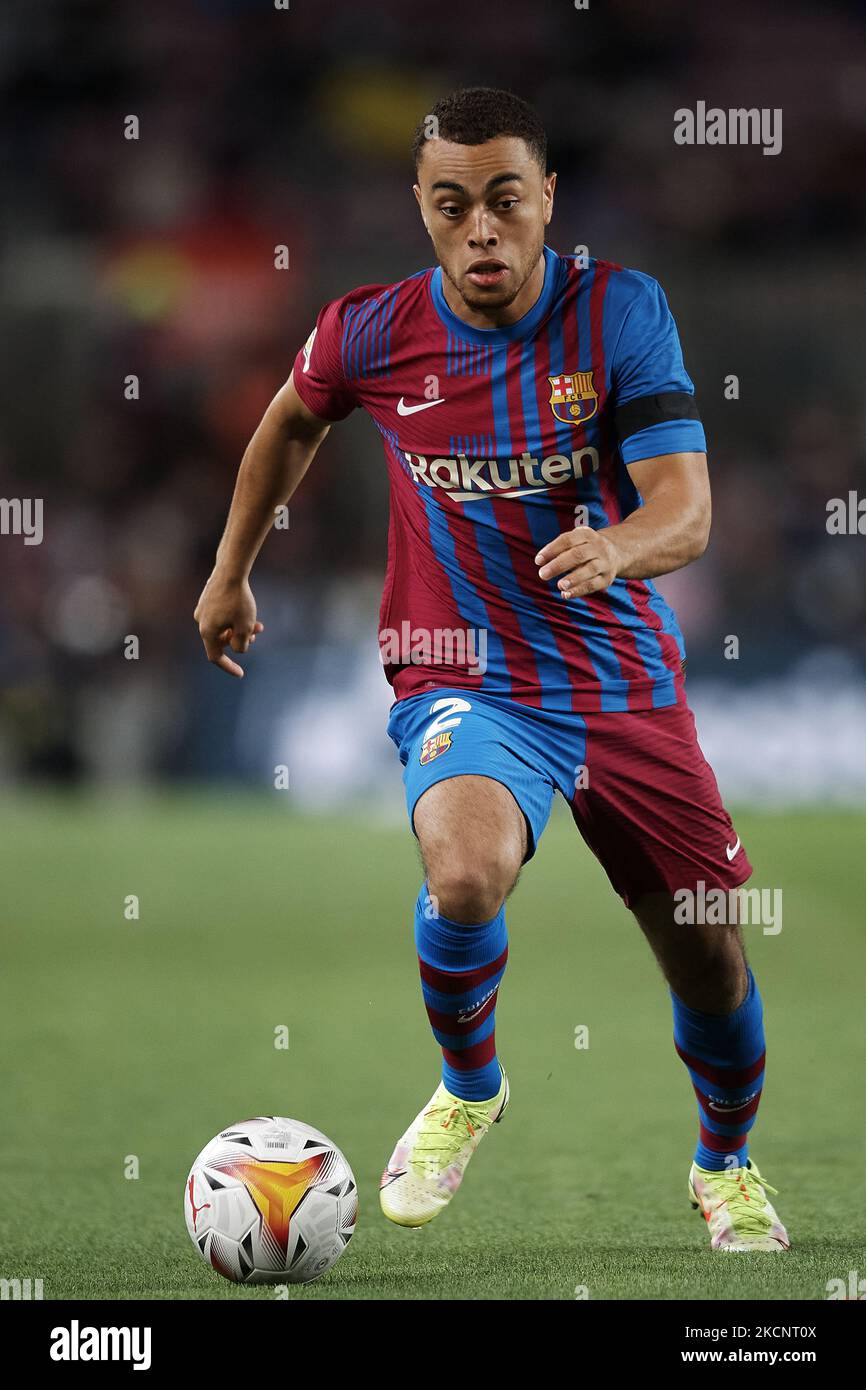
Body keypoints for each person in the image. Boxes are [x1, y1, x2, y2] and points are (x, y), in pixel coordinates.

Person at [194, 87, 789, 1253]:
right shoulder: (369, 329)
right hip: (458, 672)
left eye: (504, 201)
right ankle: (469, 1087)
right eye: (452, 204)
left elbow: (686, 507)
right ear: (420, 208)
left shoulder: (620, 313)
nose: (481, 230)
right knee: (462, 875)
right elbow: (287, 422)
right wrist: (231, 572)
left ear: (545, 201)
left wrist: (618, 543)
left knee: (709, 952)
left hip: (620, 687)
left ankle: (724, 1164)